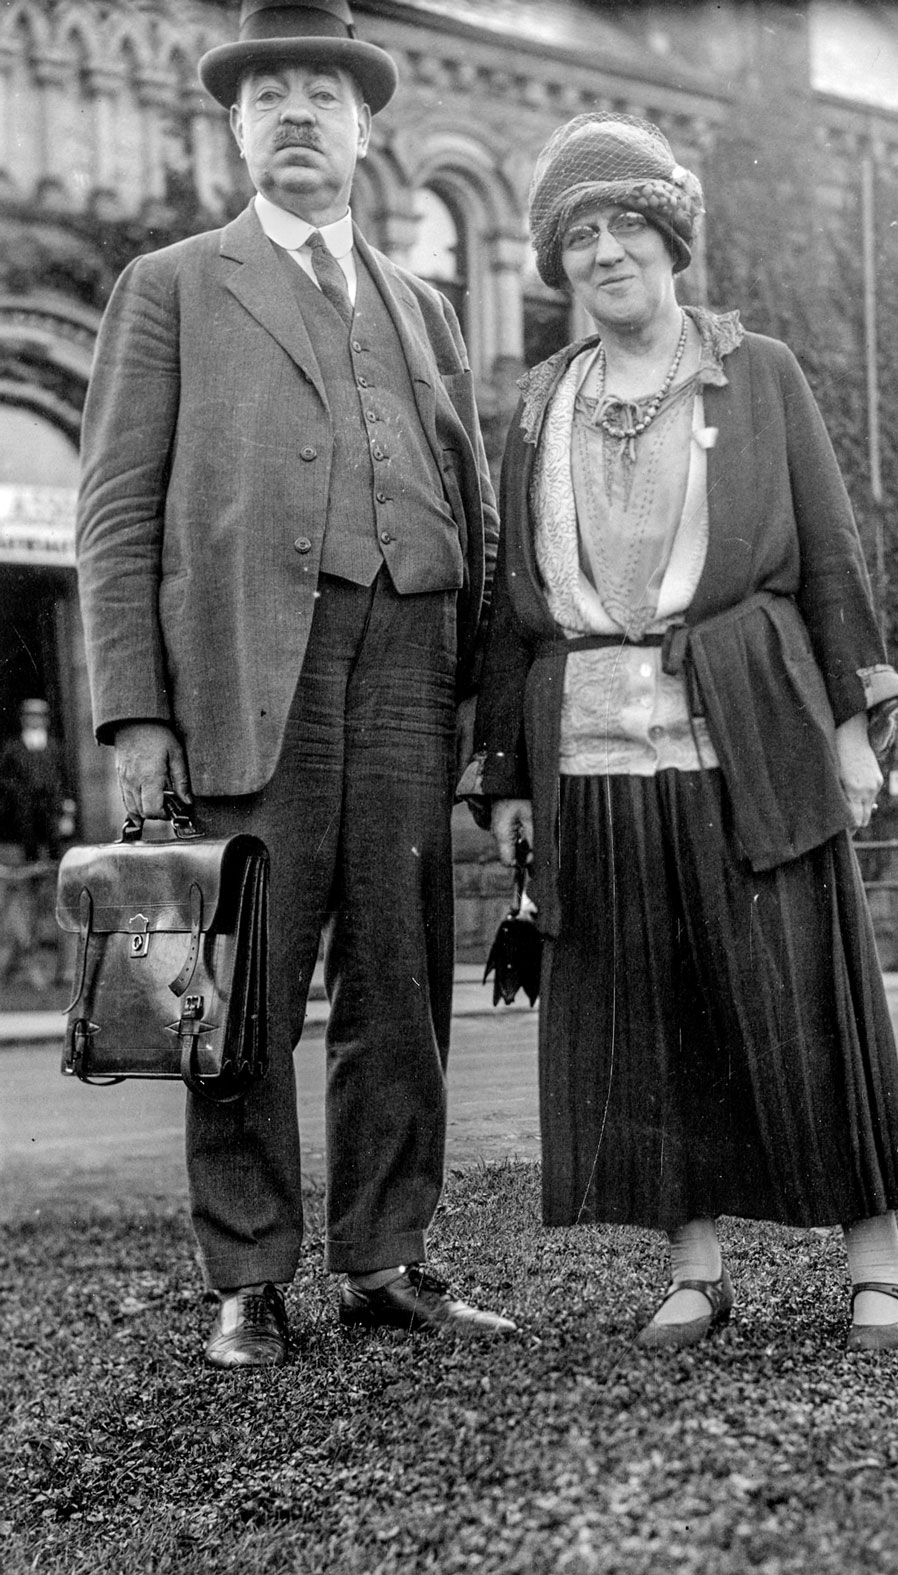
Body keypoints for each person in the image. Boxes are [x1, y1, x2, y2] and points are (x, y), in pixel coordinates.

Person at [75, 0, 514, 1370]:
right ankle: (248, 1273)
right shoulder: (172, 284)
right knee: (237, 977)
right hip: (252, 671)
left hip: (410, 664)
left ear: (365, 127)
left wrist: (486, 716)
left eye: (325, 95)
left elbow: (475, 506)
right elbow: (115, 512)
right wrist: (138, 710)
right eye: (272, 98)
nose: (300, 117)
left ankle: (387, 1259)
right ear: (237, 128)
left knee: (403, 973)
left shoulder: (423, 302)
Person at [469, 113, 898, 1352]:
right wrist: (505, 774)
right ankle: (695, 1271)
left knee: (798, 996)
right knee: (646, 1007)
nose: (605, 253)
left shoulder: (757, 370)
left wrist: (850, 729)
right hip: (591, 755)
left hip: (751, 738)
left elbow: (826, 557)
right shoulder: (536, 406)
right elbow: (515, 611)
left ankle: (875, 1264)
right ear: (556, 263)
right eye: (578, 238)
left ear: (672, 241)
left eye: (627, 228)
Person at [0, 699, 74, 862]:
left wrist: (67, 805)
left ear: (46, 720)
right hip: (25, 806)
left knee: (55, 844)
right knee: (29, 845)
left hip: (51, 804)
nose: (35, 720)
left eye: (39, 716)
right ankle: (32, 880)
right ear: (22, 719)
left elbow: (65, 776)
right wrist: (18, 792)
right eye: (30, 716)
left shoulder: (55, 747)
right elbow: (4, 777)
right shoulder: (13, 748)